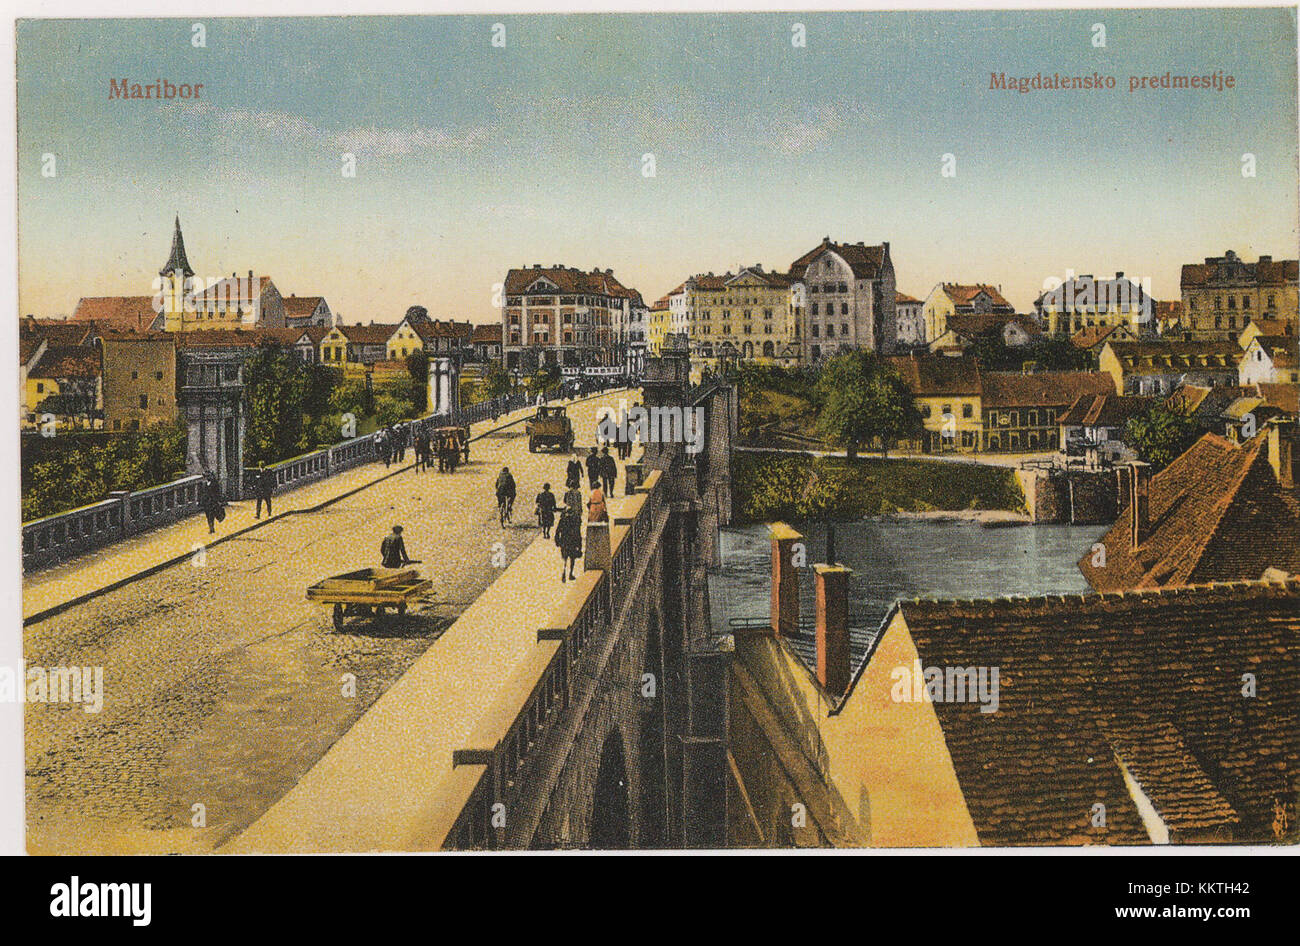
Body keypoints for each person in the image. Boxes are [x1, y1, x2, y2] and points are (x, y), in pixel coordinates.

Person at [555, 507, 582, 582]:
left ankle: (564, 572)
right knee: (572, 559)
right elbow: (578, 534)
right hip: (572, 542)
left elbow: (557, 531)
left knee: (564, 559)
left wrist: (557, 541)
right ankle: (570, 574)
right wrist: (579, 546)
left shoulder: (562, 520)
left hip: (564, 542)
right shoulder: (575, 521)